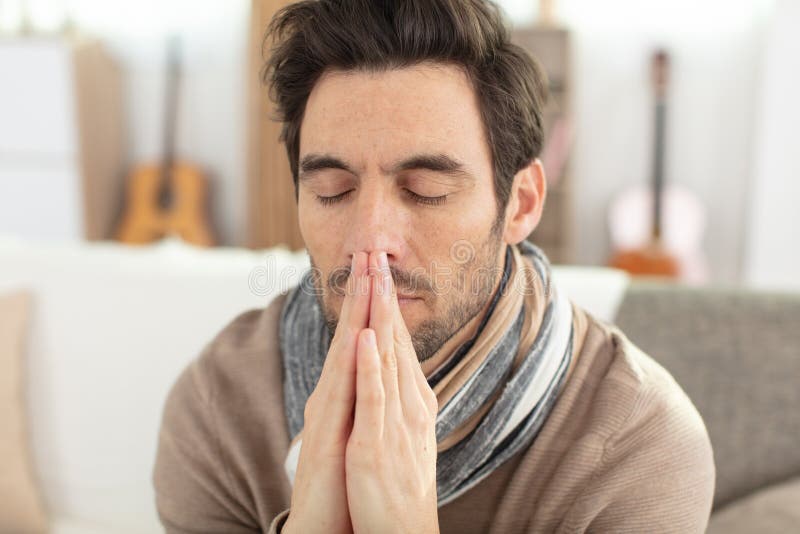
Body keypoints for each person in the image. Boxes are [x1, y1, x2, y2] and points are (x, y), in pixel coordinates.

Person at [152, 1, 715, 532]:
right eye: (332, 191)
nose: (370, 241)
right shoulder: (217, 409)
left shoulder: (639, 446)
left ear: (521, 204)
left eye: (425, 191)